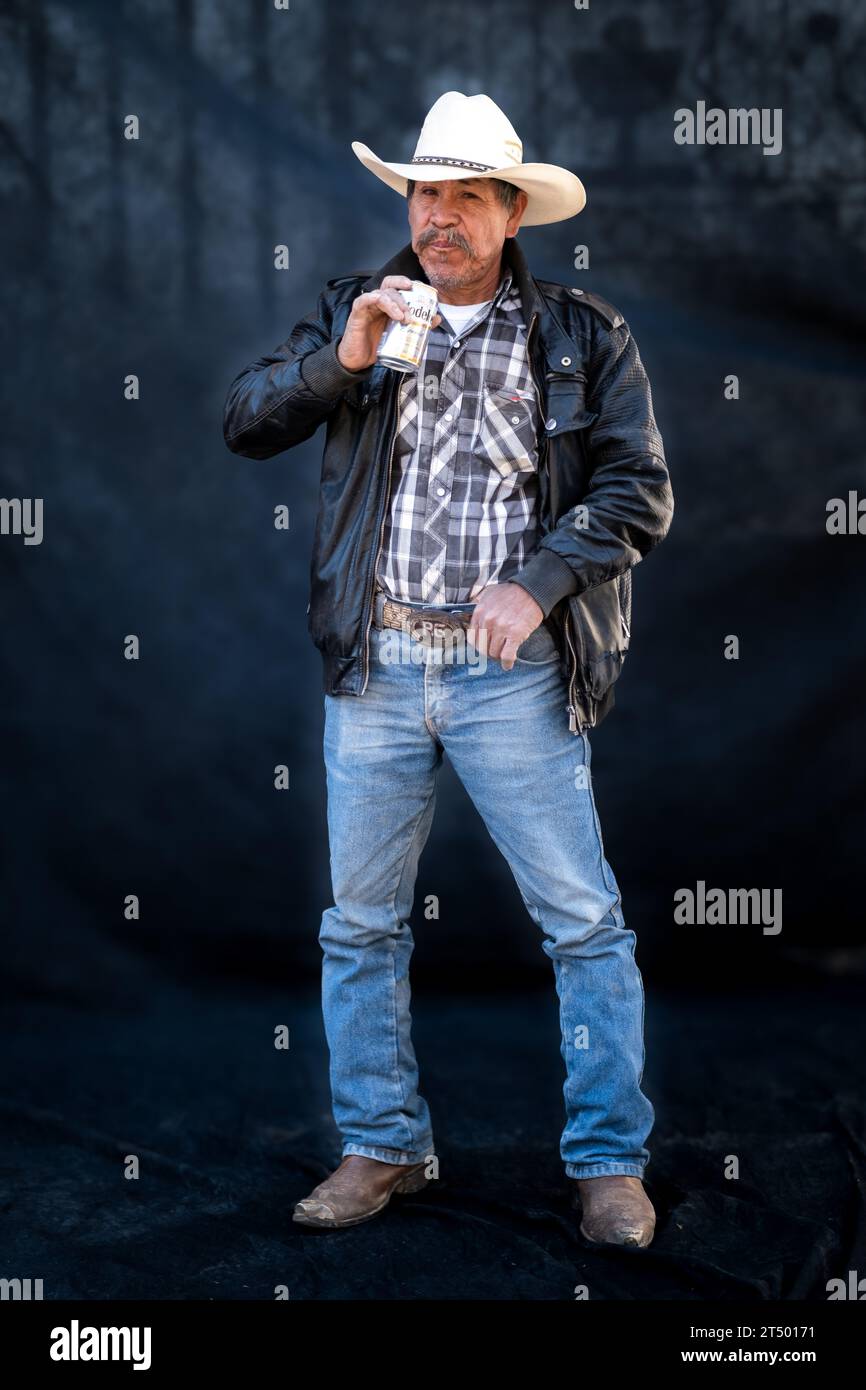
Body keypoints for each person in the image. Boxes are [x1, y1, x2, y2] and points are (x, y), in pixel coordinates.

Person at [223, 91, 673, 1245]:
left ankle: (609, 1163)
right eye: (424, 193)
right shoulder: (353, 310)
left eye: (465, 196)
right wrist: (341, 362)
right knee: (359, 925)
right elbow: (246, 419)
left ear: (511, 211)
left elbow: (636, 488)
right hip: (375, 664)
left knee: (580, 922)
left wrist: (542, 580)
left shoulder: (581, 334)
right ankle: (381, 1147)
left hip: (510, 673)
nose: (438, 216)